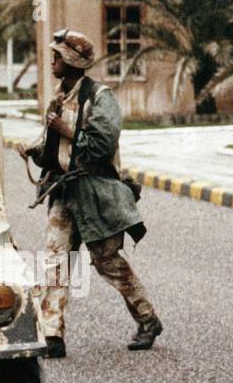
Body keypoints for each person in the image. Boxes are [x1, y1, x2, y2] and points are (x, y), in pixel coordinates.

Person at [16, 29, 163, 357]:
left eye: (57, 56)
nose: (52, 61)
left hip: (95, 194)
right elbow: (56, 148)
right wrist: (36, 151)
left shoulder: (100, 97)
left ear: (69, 62)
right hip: (64, 192)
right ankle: (52, 334)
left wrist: (63, 129)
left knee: (107, 261)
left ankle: (148, 319)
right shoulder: (58, 96)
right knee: (56, 260)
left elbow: (101, 146)